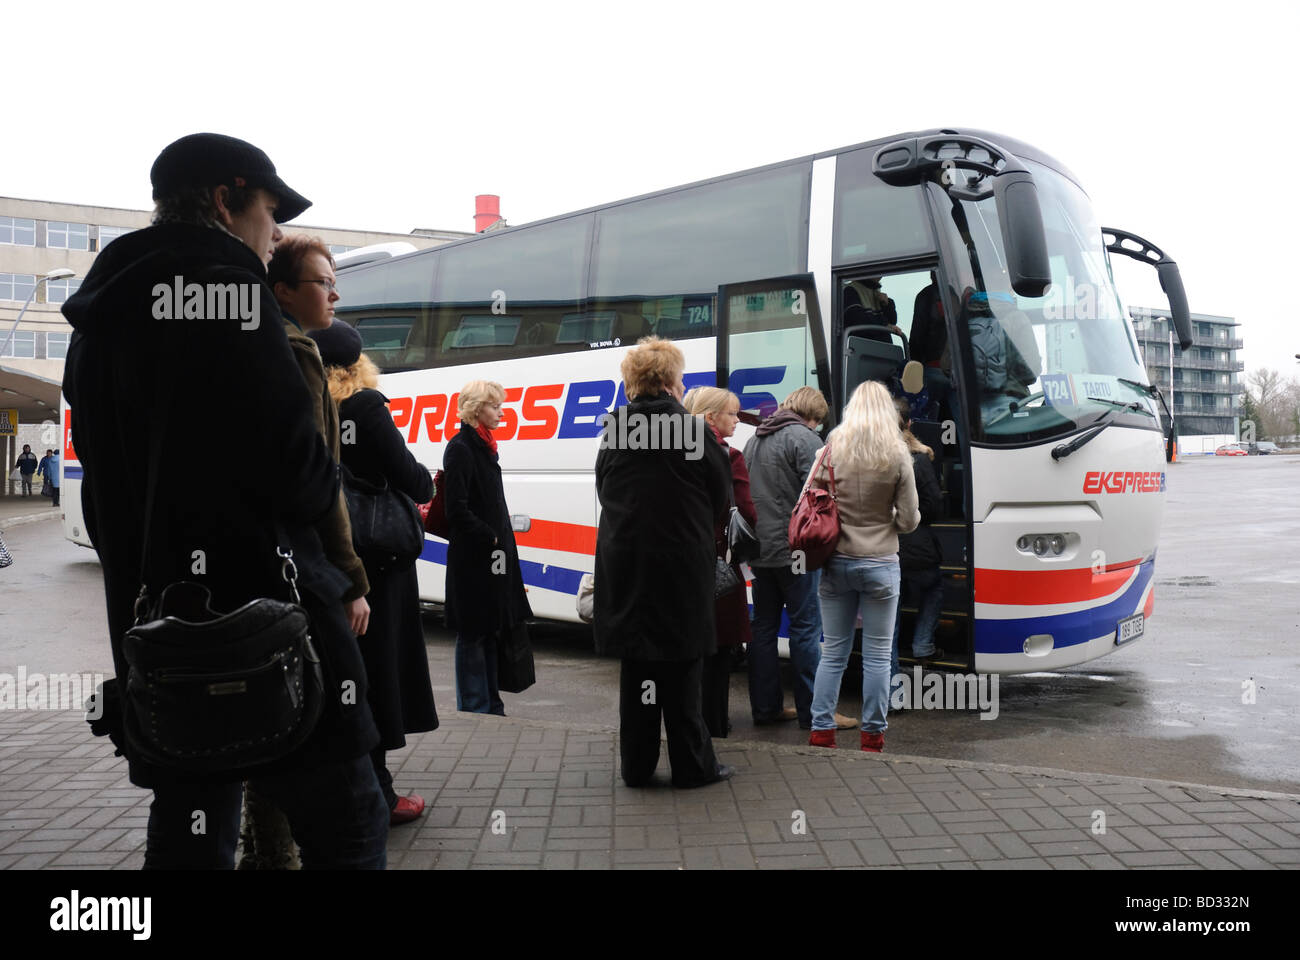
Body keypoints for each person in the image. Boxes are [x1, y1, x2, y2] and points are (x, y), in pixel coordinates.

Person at [61, 132, 387, 869]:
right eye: (270, 212)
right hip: (266, 630)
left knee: (192, 823)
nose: (275, 236)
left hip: (156, 631)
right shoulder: (235, 300)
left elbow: (110, 482)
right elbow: (299, 474)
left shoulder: (100, 322)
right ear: (224, 200)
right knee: (348, 824)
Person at [594, 337, 734, 787]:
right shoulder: (693, 430)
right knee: (683, 665)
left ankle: (636, 767)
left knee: (637, 667)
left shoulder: (615, 428)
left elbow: (605, 489)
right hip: (679, 564)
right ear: (672, 381)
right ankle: (692, 767)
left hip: (627, 562)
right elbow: (721, 496)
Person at [316, 324, 439, 826]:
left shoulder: (315, 408)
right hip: (377, 565)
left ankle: (352, 789)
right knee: (379, 674)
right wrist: (422, 478)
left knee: (346, 673)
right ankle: (377, 796)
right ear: (358, 365)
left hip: (331, 557)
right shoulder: (366, 407)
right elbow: (411, 477)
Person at [807, 380, 918, 752]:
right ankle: (872, 735)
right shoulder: (897, 453)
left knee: (834, 651)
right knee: (877, 654)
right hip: (882, 563)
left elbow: (809, 500)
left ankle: (822, 729)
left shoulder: (832, 447)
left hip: (837, 560)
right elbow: (908, 520)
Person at [743, 386, 831, 729]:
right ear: (813, 415)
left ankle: (766, 709)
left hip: (760, 550)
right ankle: (813, 714)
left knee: (763, 628)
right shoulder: (804, 439)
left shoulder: (755, 439)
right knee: (806, 628)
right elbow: (823, 496)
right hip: (797, 550)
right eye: (819, 421)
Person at [442, 380, 532, 714]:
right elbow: (457, 508)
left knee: (492, 627)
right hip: (474, 560)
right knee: (473, 632)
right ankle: (474, 705)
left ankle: (491, 702)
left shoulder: (484, 445)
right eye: (495, 406)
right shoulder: (461, 447)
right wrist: (489, 535)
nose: (501, 412)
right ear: (476, 409)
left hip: (493, 560)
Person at [682, 386, 755, 738]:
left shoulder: (670, 449)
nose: (737, 420)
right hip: (718, 565)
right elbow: (745, 512)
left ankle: (687, 721)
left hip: (680, 564)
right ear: (711, 417)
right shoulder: (728, 456)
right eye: (731, 413)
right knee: (720, 647)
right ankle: (714, 723)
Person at [890, 398, 945, 704]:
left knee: (889, 615)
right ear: (910, 424)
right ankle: (923, 643)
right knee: (934, 587)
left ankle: (892, 684)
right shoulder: (919, 459)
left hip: (883, 550)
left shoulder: (872, 456)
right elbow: (934, 505)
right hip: (917, 548)